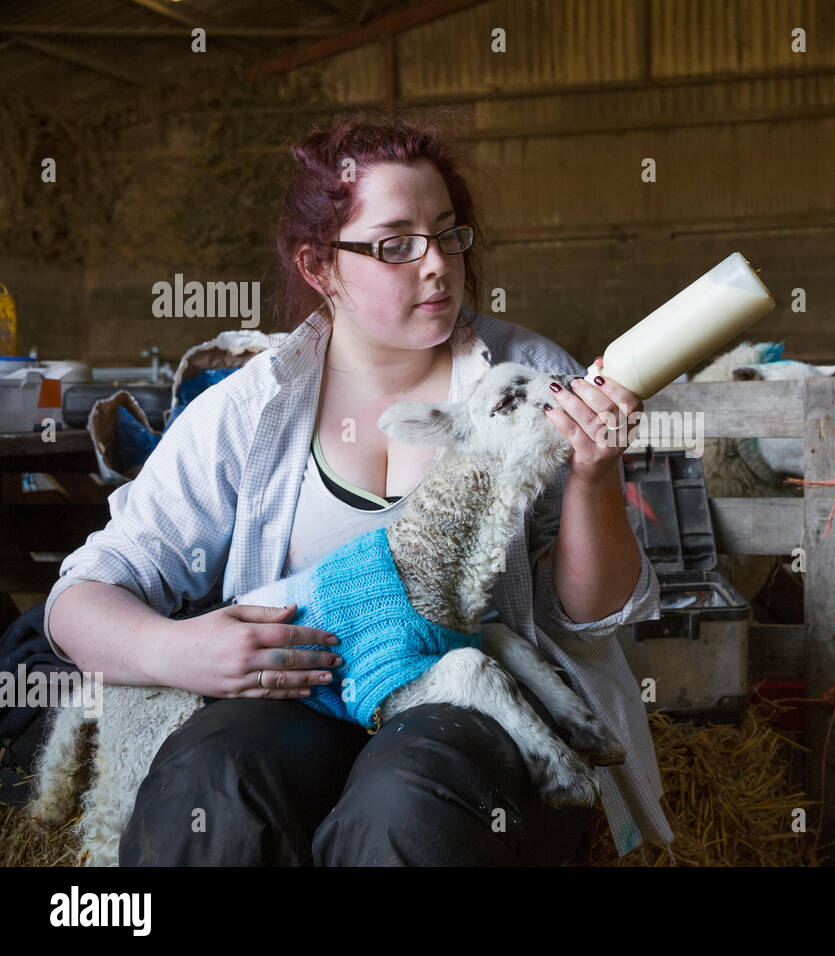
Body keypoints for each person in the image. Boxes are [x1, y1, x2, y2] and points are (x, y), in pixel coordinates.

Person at [32, 113, 674, 865]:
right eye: (395, 244)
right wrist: (175, 649)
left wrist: (593, 475)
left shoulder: (526, 378)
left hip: (465, 706)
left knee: (406, 802)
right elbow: (81, 596)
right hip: (298, 696)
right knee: (211, 782)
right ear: (318, 267)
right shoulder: (248, 410)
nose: (436, 264)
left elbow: (593, 617)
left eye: (448, 232)